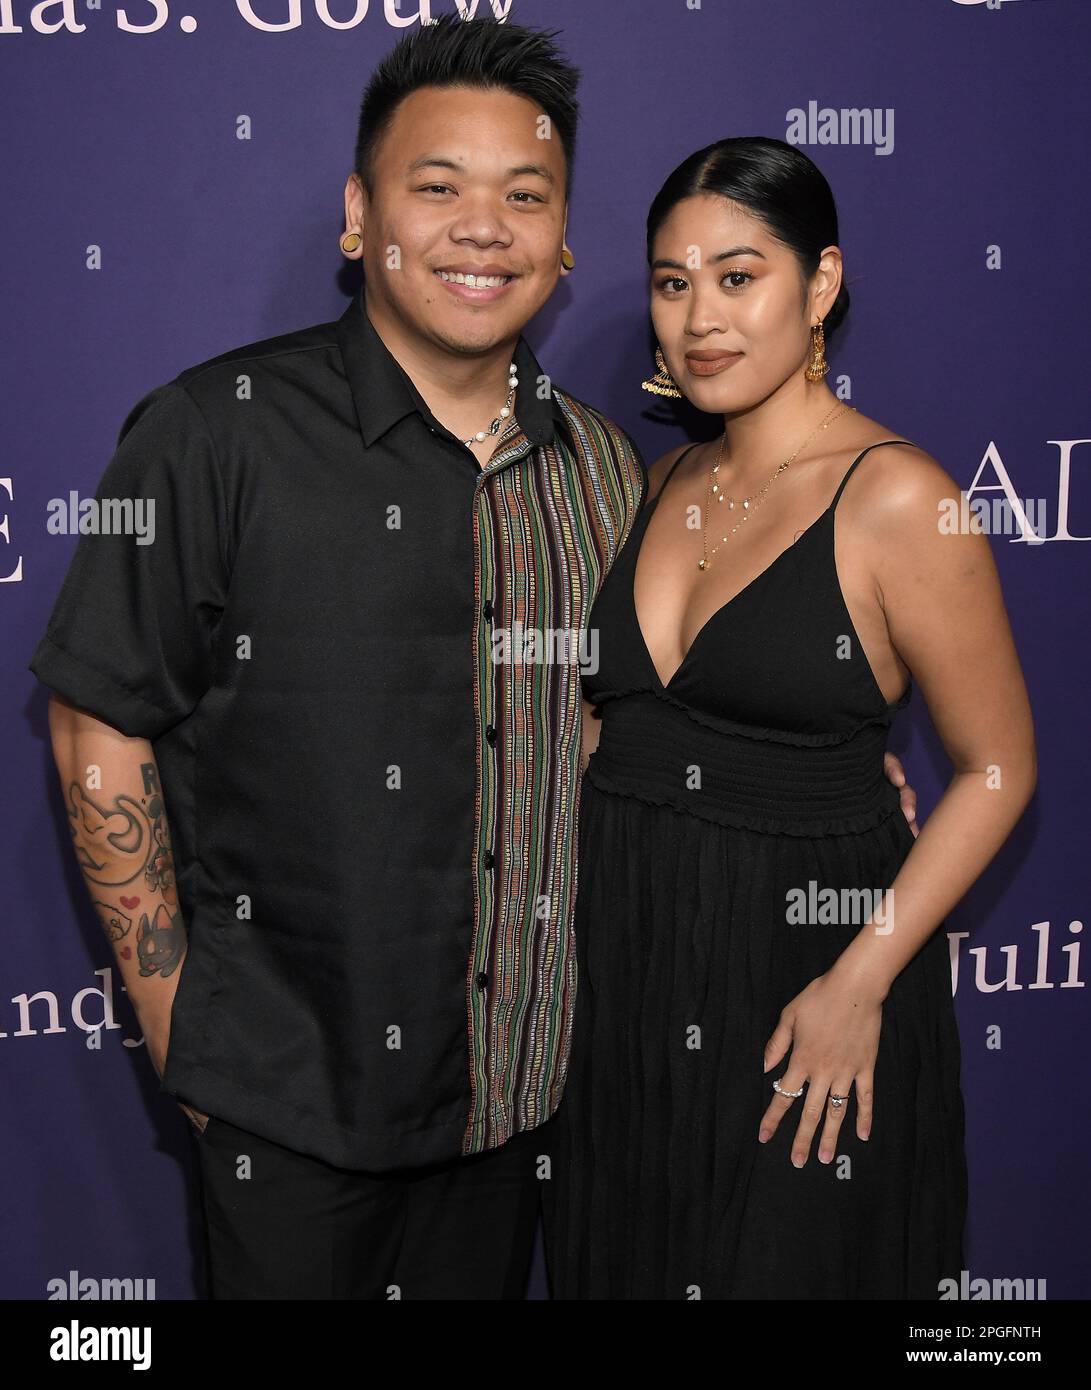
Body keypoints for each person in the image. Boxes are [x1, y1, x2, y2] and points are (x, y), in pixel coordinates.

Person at [28, 21, 915, 1299]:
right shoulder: (212, 435)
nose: (480, 229)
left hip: (520, 1115)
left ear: (562, 245)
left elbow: (623, 723)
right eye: (435, 187)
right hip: (287, 1115)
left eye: (524, 196)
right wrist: (184, 1039)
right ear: (358, 216)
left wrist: (816, 780)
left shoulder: (609, 469)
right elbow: (94, 723)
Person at [542, 136, 1036, 1300]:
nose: (697, 317)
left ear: (818, 286)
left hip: (801, 986)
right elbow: (623, 730)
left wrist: (857, 982)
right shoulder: (652, 482)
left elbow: (998, 768)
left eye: (736, 275)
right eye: (671, 282)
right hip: (624, 978)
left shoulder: (903, 499)